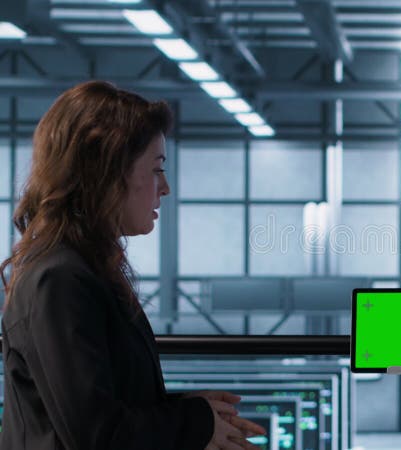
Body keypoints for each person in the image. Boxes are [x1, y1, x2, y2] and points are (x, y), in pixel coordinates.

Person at [0, 81, 265, 449]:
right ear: (105, 172)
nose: (165, 187)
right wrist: (195, 423)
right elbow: (98, 435)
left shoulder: (82, 270)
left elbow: (101, 406)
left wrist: (194, 412)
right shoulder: (59, 280)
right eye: (157, 169)